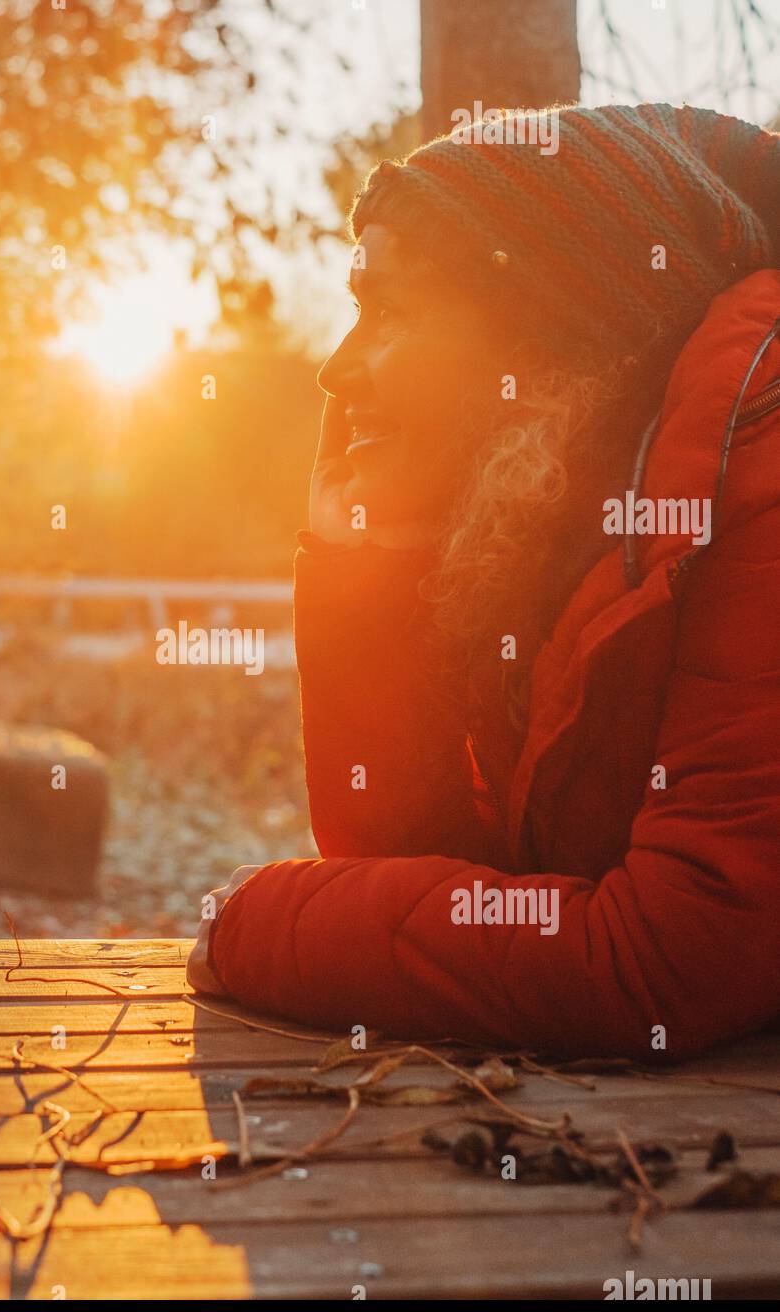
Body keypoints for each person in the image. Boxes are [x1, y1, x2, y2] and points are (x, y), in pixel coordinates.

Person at [186, 103, 780, 1060]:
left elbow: (665, 967)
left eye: (389, 309)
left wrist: (251, 924)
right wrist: (363, 566)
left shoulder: (759, 459)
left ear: (546, 339)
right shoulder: (553, 521)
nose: (337, 372)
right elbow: (434, 879)